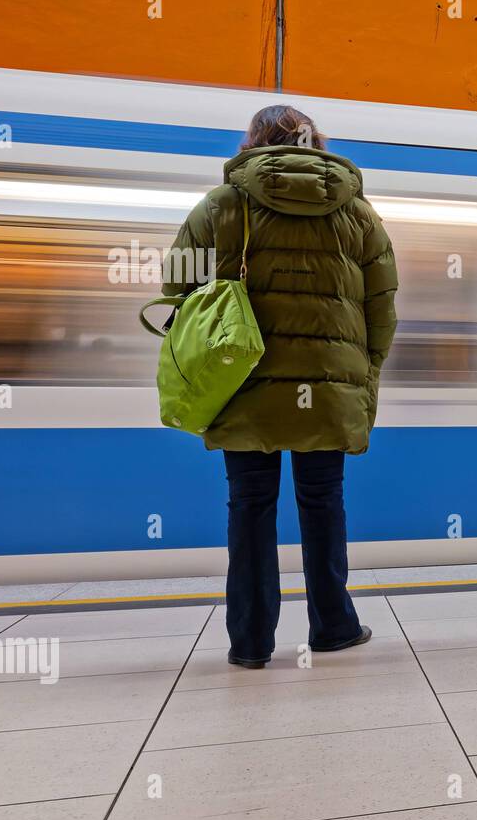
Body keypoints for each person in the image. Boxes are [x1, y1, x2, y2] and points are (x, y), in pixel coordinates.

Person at [161, 105, 399, 668]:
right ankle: (334, 626)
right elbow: (381, 306)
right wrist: (365, 374)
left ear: (251, 143)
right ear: (317, 143)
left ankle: (249, 641)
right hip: (328, 386)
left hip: (242, 382)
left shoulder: (221, 206)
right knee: (323, 502)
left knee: (250, 506)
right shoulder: (358, 214)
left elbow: (176, 287)